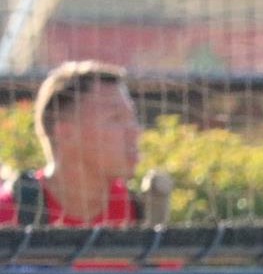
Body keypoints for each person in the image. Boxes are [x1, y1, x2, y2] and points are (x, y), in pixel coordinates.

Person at [0, 61, 167, 226]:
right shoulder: (8, 213)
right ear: (66, 133)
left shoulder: (139, 214)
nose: (136, 130)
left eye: (133, 118)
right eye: (116, 118)